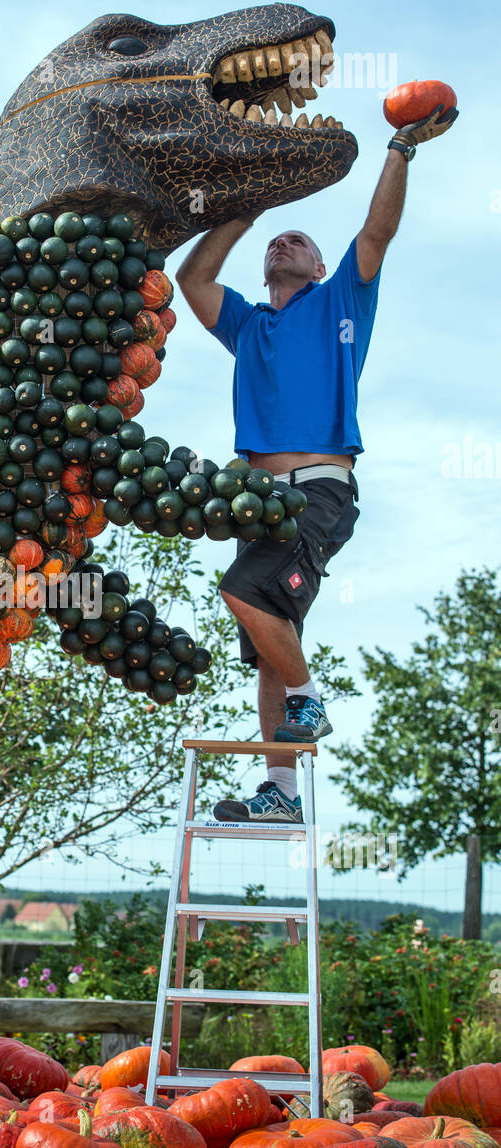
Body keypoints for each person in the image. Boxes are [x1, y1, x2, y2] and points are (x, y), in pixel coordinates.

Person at [176, 102, 457, 823]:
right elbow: (193, 278)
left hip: (319, 489)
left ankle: (309, 700)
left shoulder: (343, 300)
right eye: (275, 241)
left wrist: (401, 147)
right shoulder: (247, 324)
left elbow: (378, 230)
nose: (284, 241)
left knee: (243, 594)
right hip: (255, 500)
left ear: (321, 264)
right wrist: (246, 206)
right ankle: (282, 795)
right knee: (273, 646)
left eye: (298, 238)